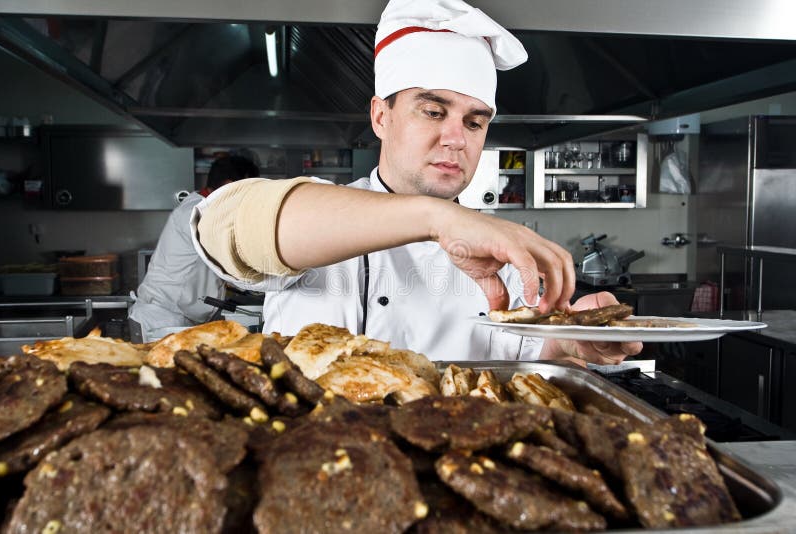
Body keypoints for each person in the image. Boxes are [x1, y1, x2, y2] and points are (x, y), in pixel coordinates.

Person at [190, 0, 641, 366]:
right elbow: (222, 225)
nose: (456, 139)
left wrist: (568, 344)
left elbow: (516, 358)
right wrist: (437, 218)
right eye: (433, 111)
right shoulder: (324, 216)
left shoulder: (499, 250)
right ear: (380, 116)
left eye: (474, 121)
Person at [129, 155, 259, 342]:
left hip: (177, 319)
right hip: (161, 321)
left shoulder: (206, 210)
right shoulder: (197, 213)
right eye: (246, 192)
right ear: (229, 185)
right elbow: (233, 260)